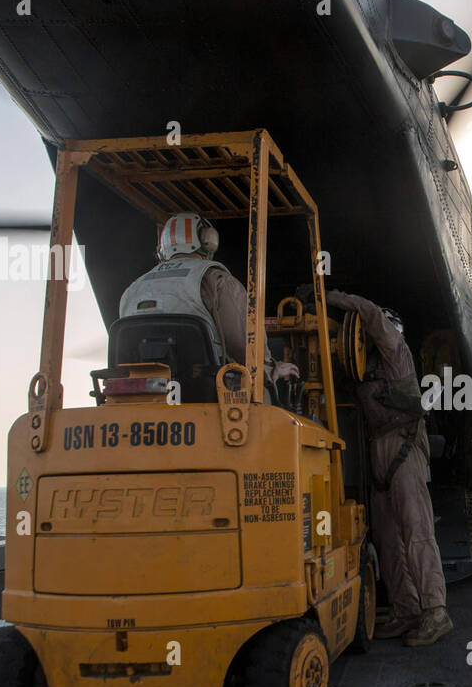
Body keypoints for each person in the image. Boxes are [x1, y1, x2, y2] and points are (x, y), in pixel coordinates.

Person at [325, 290, 452, 646]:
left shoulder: (397, 354)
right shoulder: (364, 374)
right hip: (378, 450)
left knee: (416, 528)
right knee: (386, 536)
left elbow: (368, 310)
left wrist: (331, 296)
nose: (365, 340)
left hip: (403, 444)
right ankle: (407, 608)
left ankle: (435, 610)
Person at [119, 211, 300, 395]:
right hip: (206, 392)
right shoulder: (216, 280)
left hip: (145, 395)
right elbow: (243, 344)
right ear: (208, 241)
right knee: (268, 395)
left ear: (163, 246)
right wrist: (271, 369)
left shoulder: (132, 289)